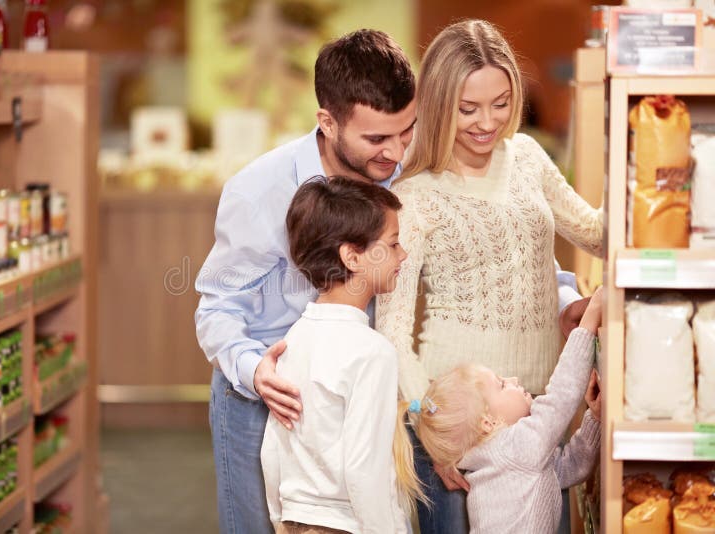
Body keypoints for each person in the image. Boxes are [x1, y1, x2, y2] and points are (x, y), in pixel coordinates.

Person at [196, 28, 586, 534]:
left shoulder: (410, 165)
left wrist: (564, 297)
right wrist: (256, 373)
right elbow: (217, 307)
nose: (397, 152)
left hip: (370, 384)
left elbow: (499, 244)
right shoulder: (259, 191)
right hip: (272, 393)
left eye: (407, 131)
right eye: (378, 139)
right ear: (328, 123)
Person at [375, 19, 604, 533]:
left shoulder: (527, 158)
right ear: (439, 104)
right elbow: (392, 334)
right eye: (468, 108)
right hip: (459, 434)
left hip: (537, 409)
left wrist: (636, 174)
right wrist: (433, 429)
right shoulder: (415, 194)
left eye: (500, 103)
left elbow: (594, 233)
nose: (487, 122)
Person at [261, 176, 419, 534]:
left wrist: (279, 519)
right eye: (393, 244)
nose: (403, 254)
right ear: (352, 256)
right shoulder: (373, 352)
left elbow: (272, 448)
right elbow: (365, 470)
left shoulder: (294, 338)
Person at [408, 287, 603, 533]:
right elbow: (561, 396)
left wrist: (595, 418)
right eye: (501, 385)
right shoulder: (514, 449)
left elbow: (570, 467)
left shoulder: (499, 460)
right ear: (487, 422)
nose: (513, 380)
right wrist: (591, 317)